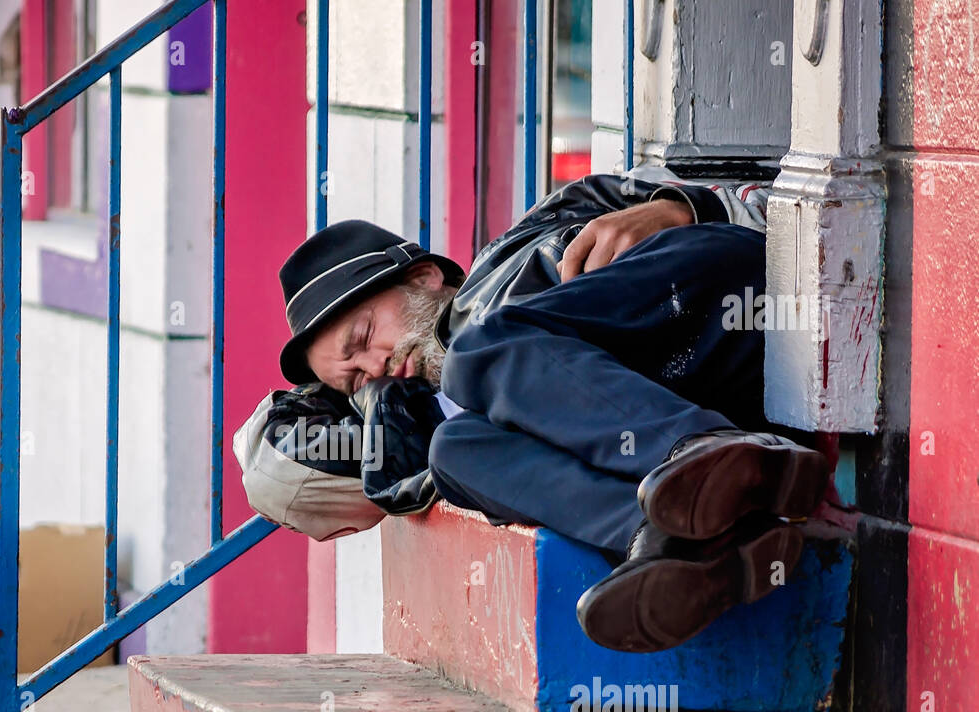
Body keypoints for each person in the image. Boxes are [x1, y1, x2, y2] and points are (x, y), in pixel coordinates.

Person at [267, 169, 830, 653]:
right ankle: (682, 541)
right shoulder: (453, 408)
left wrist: (674, 208)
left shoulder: (519, 247)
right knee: (455, 453)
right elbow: (313, 467)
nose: (377, 365)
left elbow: (770, 200)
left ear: (423, 276)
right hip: (697, 404)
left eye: (364, 336)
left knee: (476, 353)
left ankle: (711, 456)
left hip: (715, 303)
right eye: (357, 378)